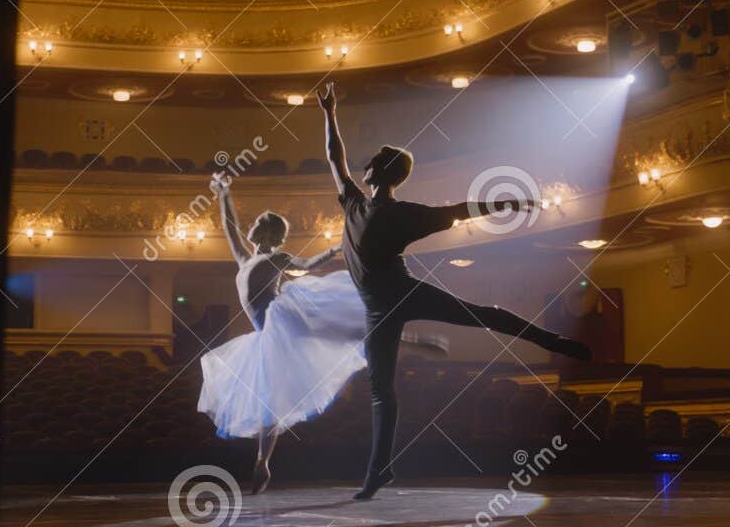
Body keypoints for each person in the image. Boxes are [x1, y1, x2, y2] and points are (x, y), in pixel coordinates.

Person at [317, 83, 591, 500]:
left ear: (383, 170)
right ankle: (380, 472)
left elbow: (458, 212)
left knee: (481, 314)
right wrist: (329, 111)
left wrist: (507, 203)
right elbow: (334, 157)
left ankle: (554, 342)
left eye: (373, 160)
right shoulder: (353, 201)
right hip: (377, 310)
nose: (365, 164)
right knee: (381, 391)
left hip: (400, 294)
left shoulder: (403, 214)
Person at [196, 174, 368, 494]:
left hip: (279, 323)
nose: (252, 225)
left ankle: (376, 336)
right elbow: (230, 226)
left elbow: (306, 263)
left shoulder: (278, 257)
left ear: (268, 232)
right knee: (268, 403)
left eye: (260, 222)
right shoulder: (245, 259)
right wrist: (224, 194)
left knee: (323, 333)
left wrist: (334, 249)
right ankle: (263, 462)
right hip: (263, 336)